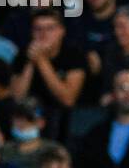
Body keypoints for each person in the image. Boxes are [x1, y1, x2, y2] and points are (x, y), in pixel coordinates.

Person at [12, 9, 87, 142]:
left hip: (64, 120)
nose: (43, 34)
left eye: (50, 29)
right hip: (30, 116)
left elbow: (68, 99)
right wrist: (30, 62)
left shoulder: (74, 56)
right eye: (38, 29)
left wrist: (41, 61)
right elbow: (17, 97)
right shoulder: (23, 55)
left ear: (61, 31)